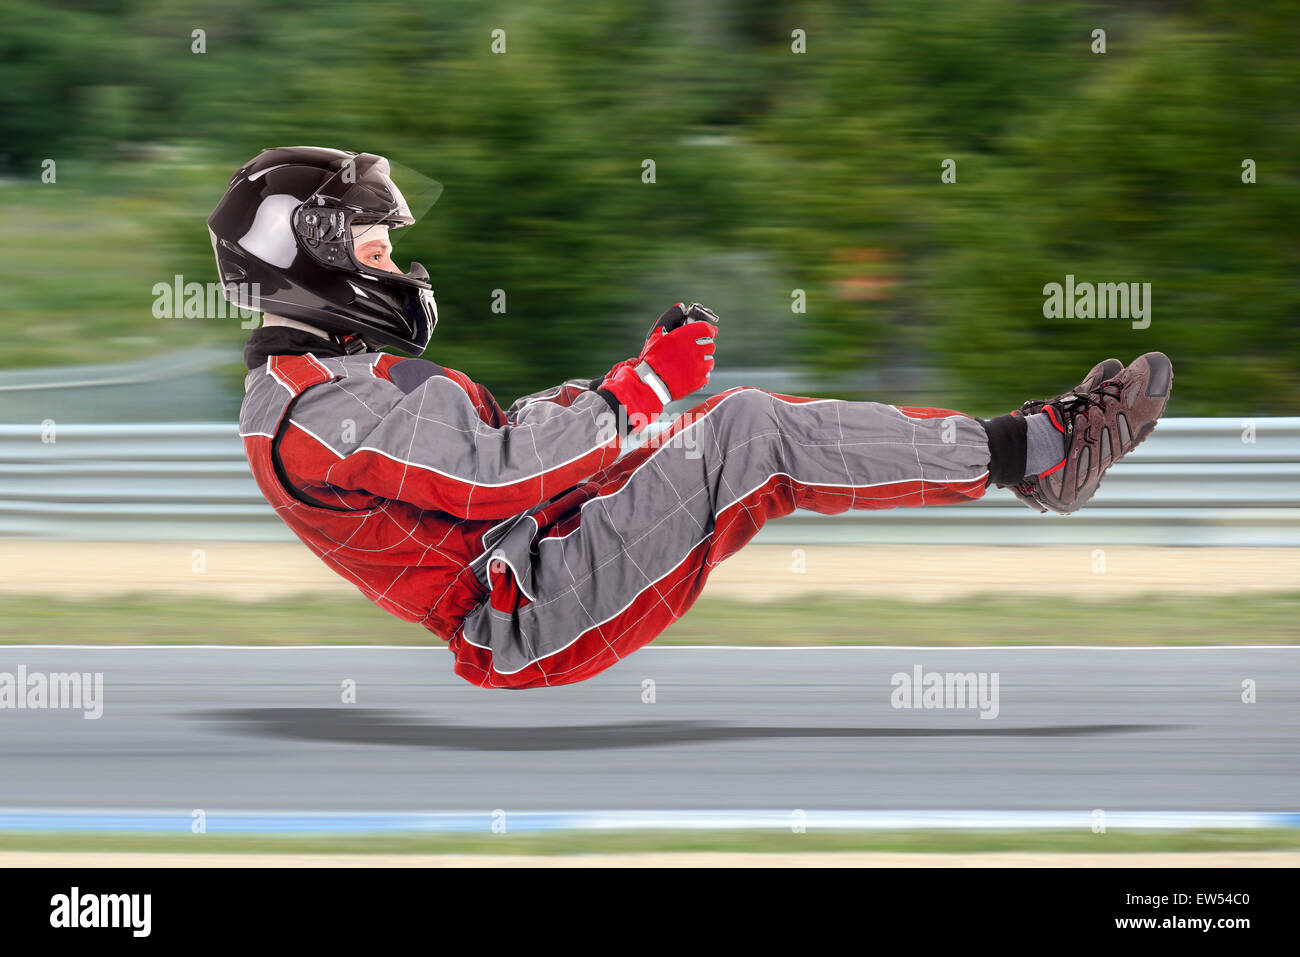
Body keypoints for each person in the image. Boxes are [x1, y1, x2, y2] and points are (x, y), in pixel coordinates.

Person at [210, 147, 1173, 689]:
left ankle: (1034, 454)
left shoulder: (331, 379)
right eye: (375, 251)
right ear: (312, 263)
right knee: (751, 428)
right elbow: (490, 477)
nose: (395, 269)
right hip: (531, 608)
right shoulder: (316, 409)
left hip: (547, 544)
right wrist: (640, 389)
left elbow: (498, 461)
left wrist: (626, 383)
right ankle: (1039, 452)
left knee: (741, 419)